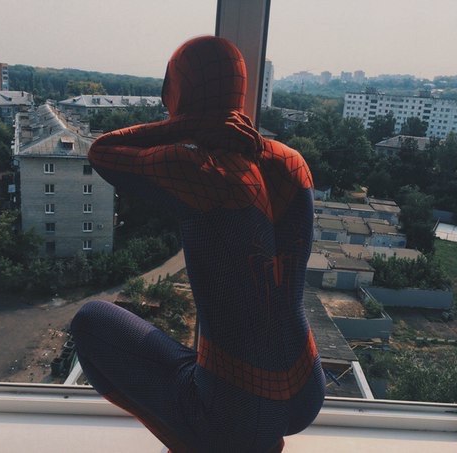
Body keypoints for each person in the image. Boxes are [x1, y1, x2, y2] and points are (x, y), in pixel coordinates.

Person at [71, 35, 325, 453]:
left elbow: (102, 150)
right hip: (306, 387)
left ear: (181, 89)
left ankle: (204, 442)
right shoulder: (291, 161)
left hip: (238, 404)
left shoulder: (196, 167)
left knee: (90, 321)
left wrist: (189, 125)